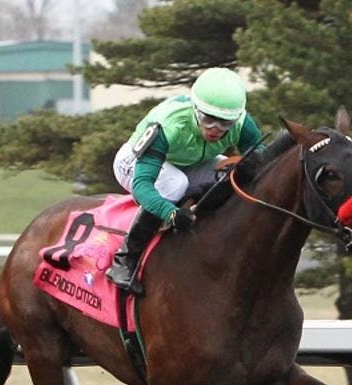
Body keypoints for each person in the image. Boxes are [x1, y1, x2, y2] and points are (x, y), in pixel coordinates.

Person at [106, 67, 264, 293]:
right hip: (133, 162)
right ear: (195, 109)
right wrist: (171, 213)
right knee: (175, 184)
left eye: (225, 123)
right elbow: (143, 186)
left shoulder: (242, 123)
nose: (216, 130)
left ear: (237, 117)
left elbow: (262, 158)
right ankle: (125, 260)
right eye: (208, 119)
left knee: (230, 174)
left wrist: (252, 163)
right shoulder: (169, 125)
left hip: (185, 163)